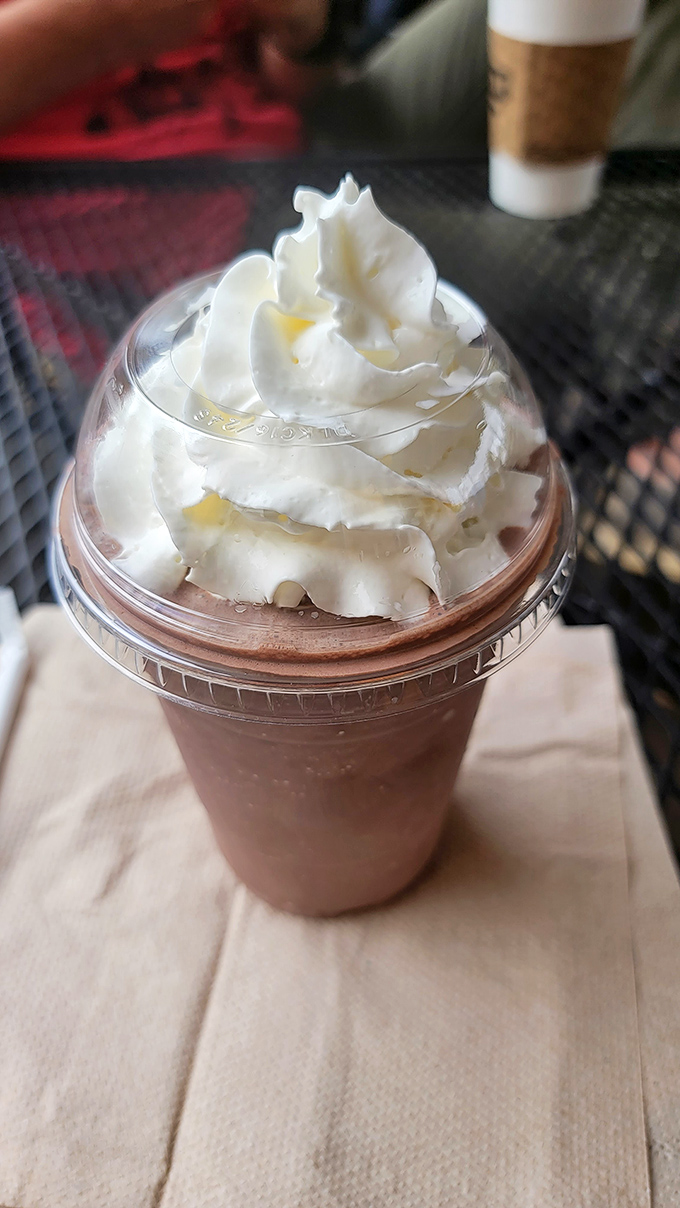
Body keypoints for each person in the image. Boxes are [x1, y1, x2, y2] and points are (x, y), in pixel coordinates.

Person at [0, 0, 678, 155]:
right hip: (159, 241)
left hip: (305, 138)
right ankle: (637, 375)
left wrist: (306, 28)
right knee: (546, 275)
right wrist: (109, 17)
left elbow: (294, 89)